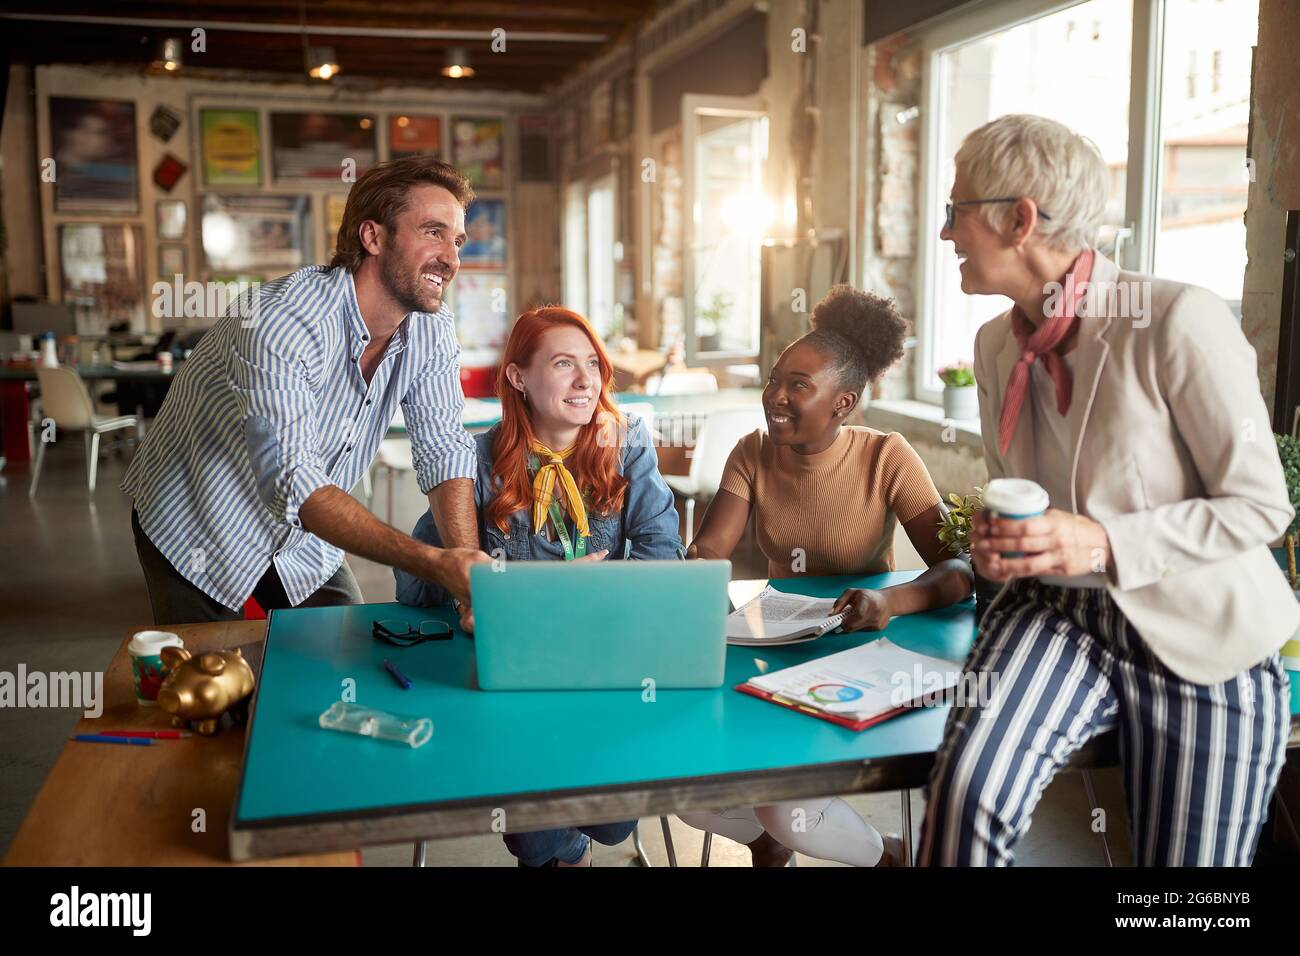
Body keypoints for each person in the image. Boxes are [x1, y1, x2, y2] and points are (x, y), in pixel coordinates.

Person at [918, 113, 1297, 866]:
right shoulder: (993, 346)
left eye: (956, 210)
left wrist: (1102, 541)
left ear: (1019, 219)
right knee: (964, 797)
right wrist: (1000, 548)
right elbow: (1019, 495)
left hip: (1200, 629)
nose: (945, 232)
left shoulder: (1176, 319)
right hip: (1057, 612)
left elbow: (1261, 506)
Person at [681, 285, 974, 866]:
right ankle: (772, 842)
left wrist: (891, 602)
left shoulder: (887, 455)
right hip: (771, 649)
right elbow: (709, 550)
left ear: (843, 403)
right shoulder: (752, 452)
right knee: (687, 792)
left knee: (784, 806)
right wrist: (687, 574)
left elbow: (958, 568)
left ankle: (888, 858)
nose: (775, 396)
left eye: (798, 385)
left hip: (865, 654)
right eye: (775, 380)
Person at [123, 156, 488, 625]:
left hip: (305, 541)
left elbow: (443, 447)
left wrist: (468, 582)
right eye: (433, 232)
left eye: (457, 241)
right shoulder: (280, 319)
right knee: (213, 666)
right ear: (373, 236)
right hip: (199, 519)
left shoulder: (431, 328)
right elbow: (294, 480)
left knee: (346, 654)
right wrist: (432, 562)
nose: (452, 259)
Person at [396, 306, 684, 865]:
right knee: (537, 837)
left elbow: (663, 553)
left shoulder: (627, 441)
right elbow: (417, 583)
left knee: (613, 820)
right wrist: (510, 591)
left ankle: (570, 841)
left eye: (592, 364)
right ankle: (563, 851)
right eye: (562, 364)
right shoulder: (474, 461)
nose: (585, 381)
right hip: (512, 673)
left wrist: (580, 596)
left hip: (604, 664)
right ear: (518, 377)